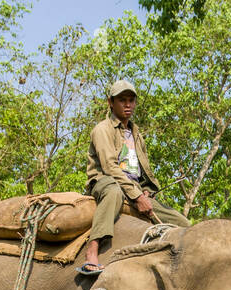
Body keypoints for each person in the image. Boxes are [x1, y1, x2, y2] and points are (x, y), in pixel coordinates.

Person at [79, 79, 190, 277]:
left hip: (134, 187)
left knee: (185, 224)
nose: (128, 104)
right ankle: (92, 251)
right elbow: (109, 167)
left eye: (131, 100)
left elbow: (142, 168)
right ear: (110, 102)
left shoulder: (136, 134)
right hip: (105, 181)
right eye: (122, 100)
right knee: (113, 191)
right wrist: (137, 196)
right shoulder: (102, 129)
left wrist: (146, 190)